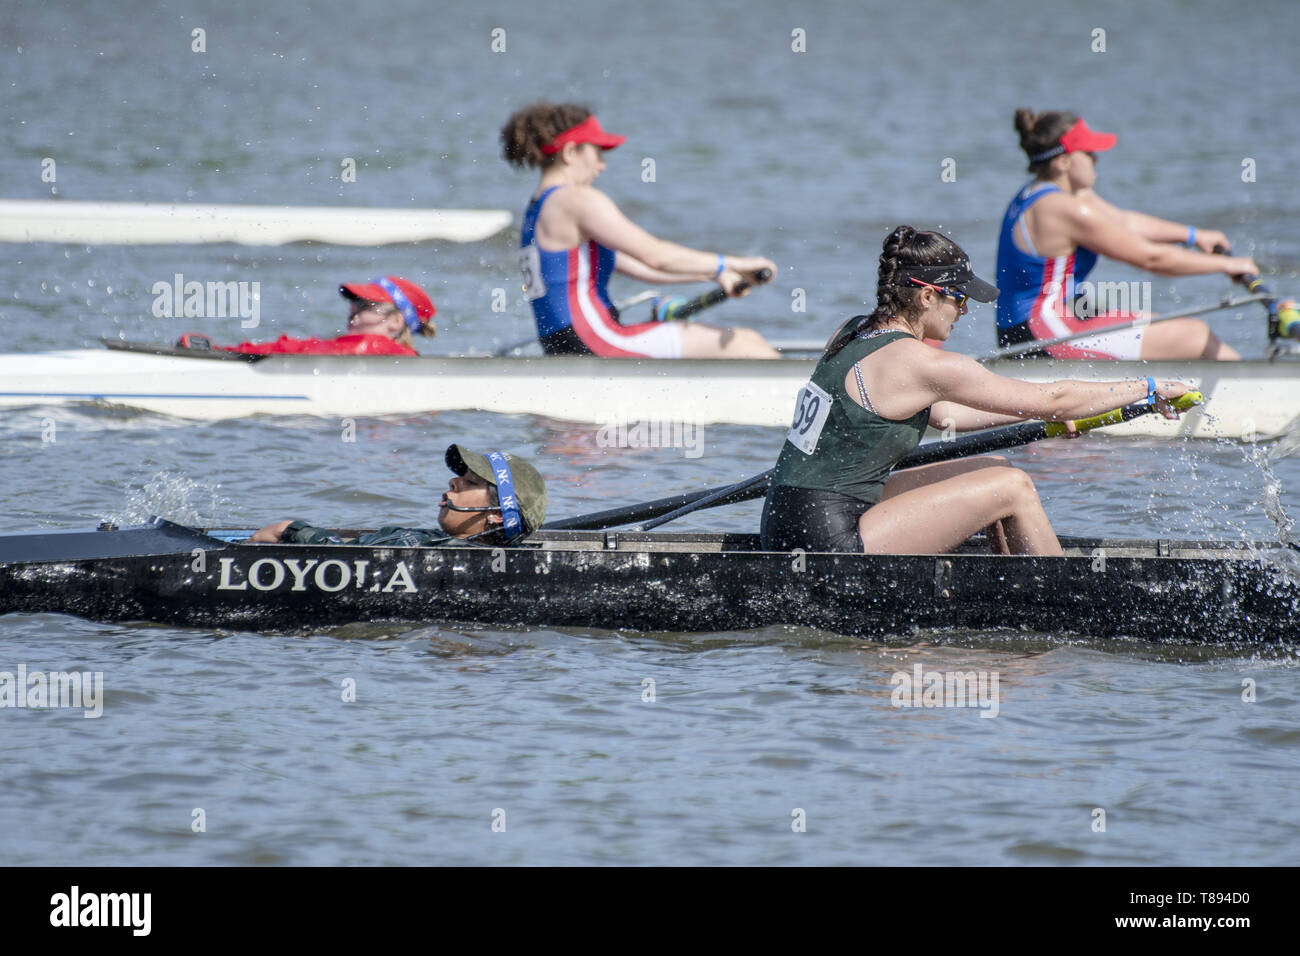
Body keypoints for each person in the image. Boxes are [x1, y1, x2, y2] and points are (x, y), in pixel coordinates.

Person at [760, 226, 1194, 557]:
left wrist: (1043, 416)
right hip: (829, 541)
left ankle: (1008, 584)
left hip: (784, 518)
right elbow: (1054, 398)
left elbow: (948, 417)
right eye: (959, 299)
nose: (964, 311)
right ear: (928, 297)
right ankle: (1066, 600)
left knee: (992, 466)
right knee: (1012, 486)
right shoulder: (923, 363)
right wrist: (1148, 387)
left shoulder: (853, 330)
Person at [501, 101, 780, 359]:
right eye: (597, 152)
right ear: (571, 152)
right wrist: (738, 262)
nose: (602, 165)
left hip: (564, 346)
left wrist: (718, 273)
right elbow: (657, 256)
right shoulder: (575, 200)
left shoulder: (537, 209)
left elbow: (641, 268)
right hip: (597, 340)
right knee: (746, 343)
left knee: (741, 344)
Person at [996, 109, 1258, 360]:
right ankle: (1251, 397)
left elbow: (1124, 222)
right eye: (1088, 152)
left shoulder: (1040, 194)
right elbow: (1150, 259)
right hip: (1045, 332)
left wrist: (1193, 235)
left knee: (1166, 327)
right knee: (1195, 335)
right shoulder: (1063, 209)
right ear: (1063, 161)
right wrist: (1227, 264)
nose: (1095, 158)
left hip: (1030, 327)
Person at [249, 445, 546, 547]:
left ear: (497, 514)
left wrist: (290, 530)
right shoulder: (429, 540)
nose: (453, 483)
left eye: (469, 482)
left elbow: (353, 564)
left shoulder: (438, 553)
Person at [178, 276, 436, 356]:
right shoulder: (365, 348)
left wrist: (220, 351)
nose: (352, 310)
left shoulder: (373, 347)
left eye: (365, 304)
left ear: (395, 321)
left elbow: (295, 349)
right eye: (353, 302)